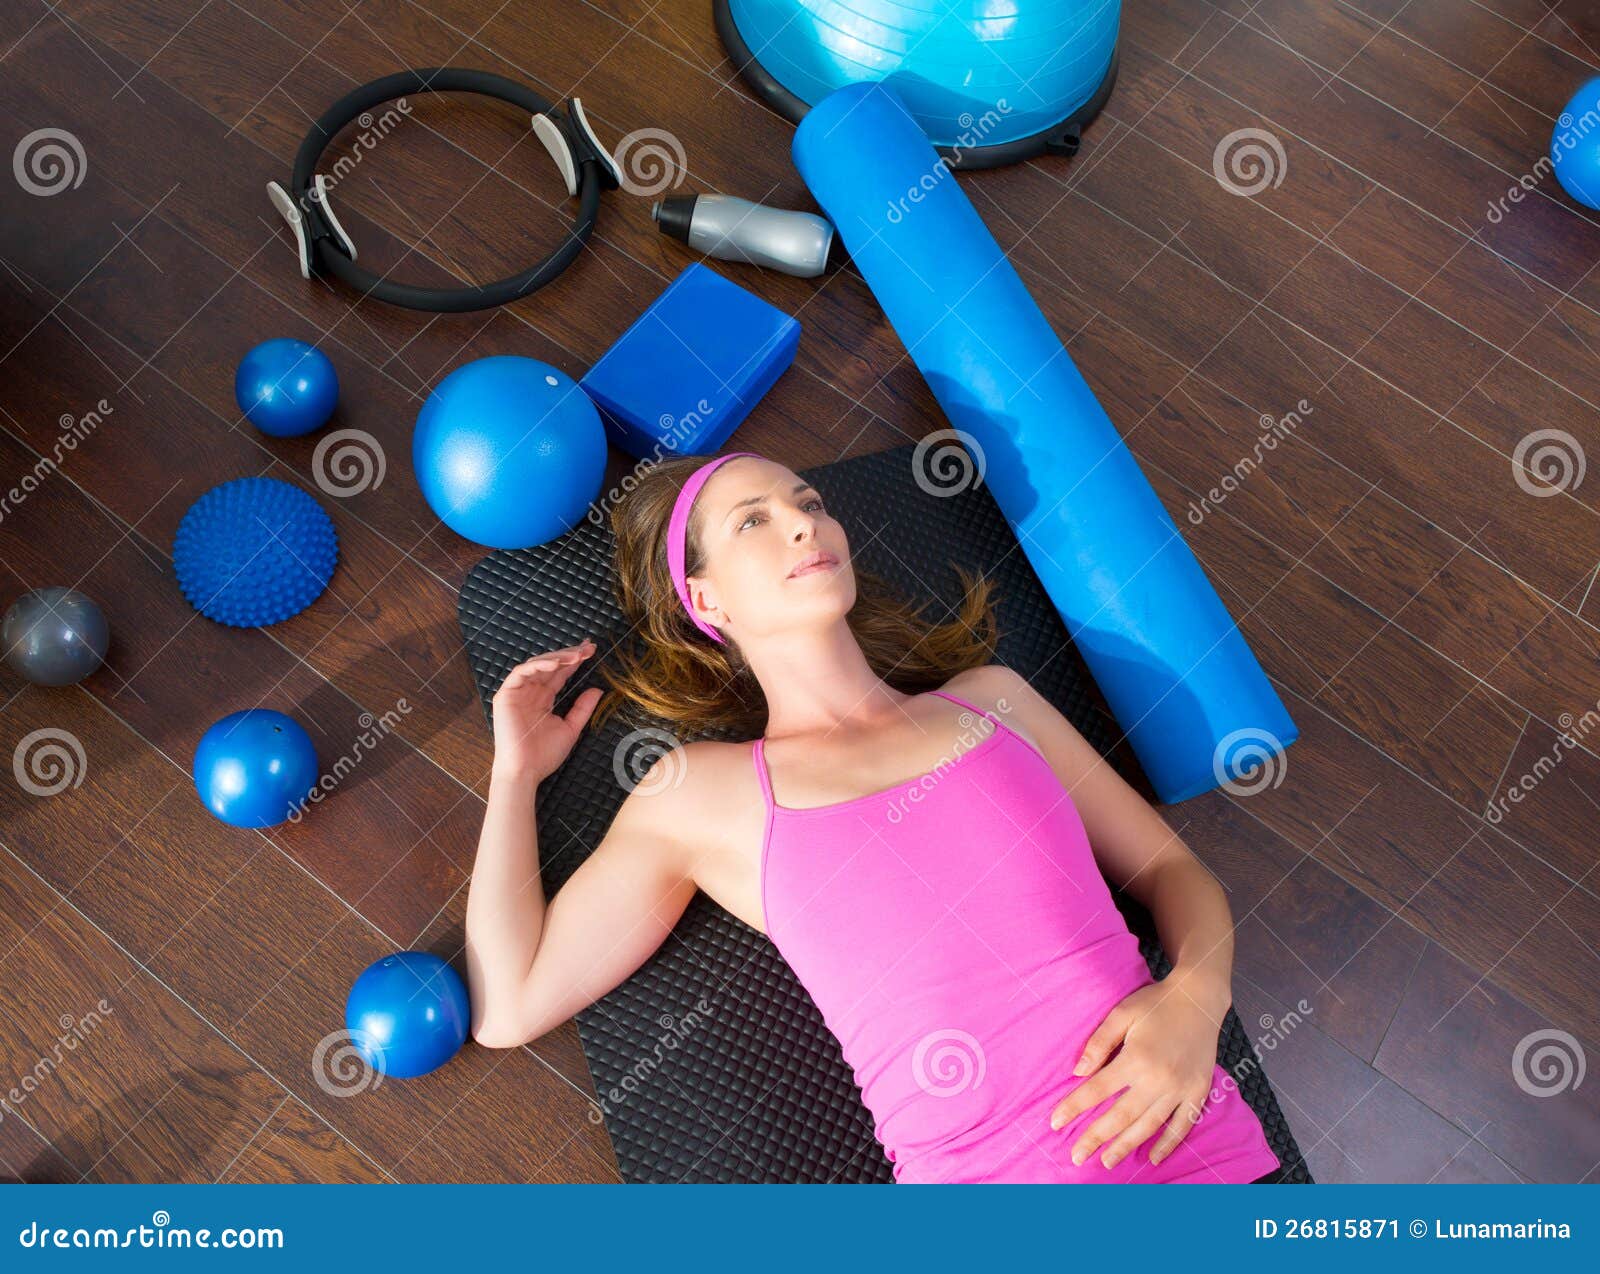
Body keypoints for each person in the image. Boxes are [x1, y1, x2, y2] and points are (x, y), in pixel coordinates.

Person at [465, 450, 1283, 1184]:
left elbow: (1172, 871)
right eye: (753, 520)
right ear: (705, 599)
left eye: (810, 503)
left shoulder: (994, 701)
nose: (803, 525)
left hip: (1186, 1140)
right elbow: (510, 1003)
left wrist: (1195, 999)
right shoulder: (700, 795)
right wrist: (515, 775)